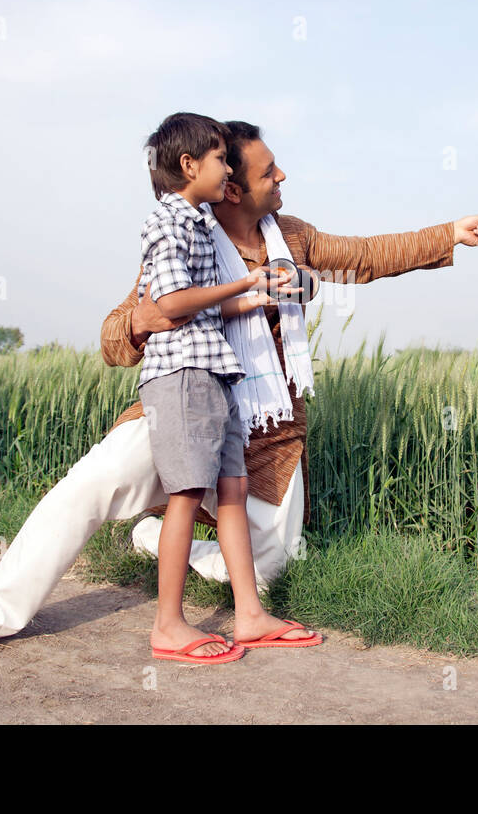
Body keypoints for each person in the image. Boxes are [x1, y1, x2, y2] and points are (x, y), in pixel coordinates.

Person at [0, 119, 478, 661]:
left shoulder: (294, 238)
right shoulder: (187, 240)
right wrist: (141, 320)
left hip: (267, 435)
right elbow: (112, 337)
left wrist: (450, 233)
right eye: (266, 172)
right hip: (182, 408)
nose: (281, 177)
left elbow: (364, 257)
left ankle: (159, 540)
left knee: (272, 567)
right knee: (89, 485)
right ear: (230, 187)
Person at [134, 111, 319, 662]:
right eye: (219, 160)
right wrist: (241, 280)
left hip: (217, 370)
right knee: (187, 497)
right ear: (189, 165)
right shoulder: (166, 224)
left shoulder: (198, 223)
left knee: (233, 493)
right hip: (184, 376)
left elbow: (210, 310)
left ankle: (249, 615)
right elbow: (169, 305)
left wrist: (258, 295)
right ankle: (168, 625)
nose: (227, 172)